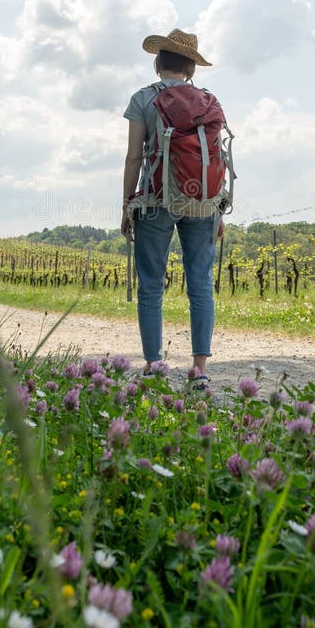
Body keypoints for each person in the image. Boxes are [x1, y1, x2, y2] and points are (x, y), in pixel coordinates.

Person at [121, 28, 223, 387]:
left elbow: (135, 156)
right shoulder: (209, 100)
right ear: (191, 69)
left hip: (155, 198)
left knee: (151, 284)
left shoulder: (143, 99)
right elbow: (215, 156)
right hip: (203, 202)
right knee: (200, 282)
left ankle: (152, 367)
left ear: (158, 61)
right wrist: (216, 205)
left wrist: (126, 204)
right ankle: (199, 372)